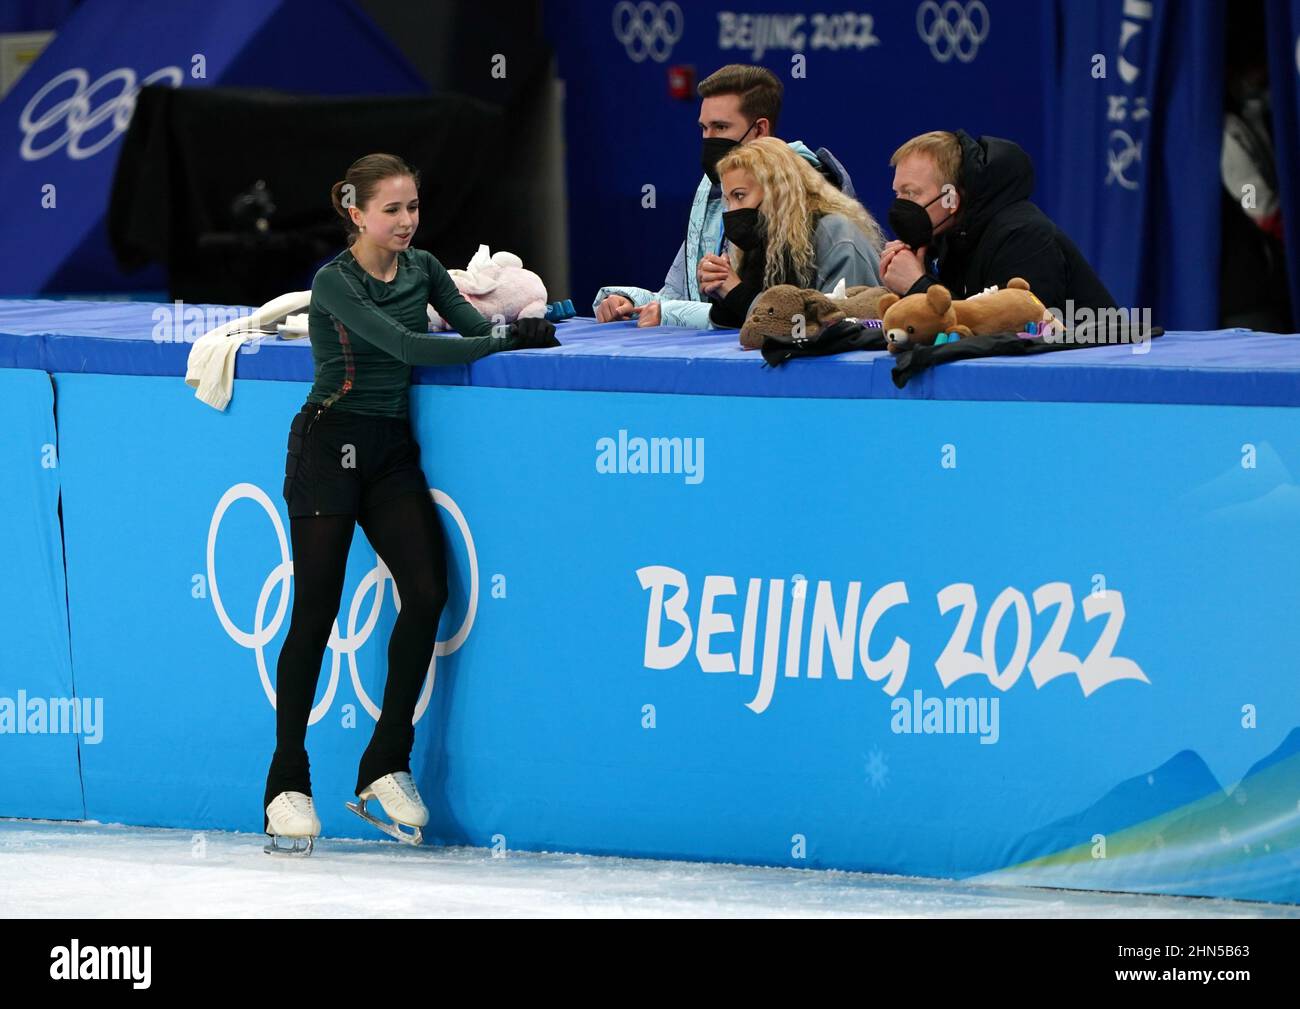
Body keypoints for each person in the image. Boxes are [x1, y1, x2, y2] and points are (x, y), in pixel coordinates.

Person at [263, 153, 560, 854]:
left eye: (413, 207)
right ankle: (285, 782)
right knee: (315, 610)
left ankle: (384, 761)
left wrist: (525, 324)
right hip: (327, 446)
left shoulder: (424, 267)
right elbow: (406, 343)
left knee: (427, 591)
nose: (405, 221)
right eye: (390, 209)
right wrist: (498, 341)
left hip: (390, 449)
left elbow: (462, 325)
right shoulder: (333, 283)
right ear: (356, 212)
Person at [593, 64, 856, 329]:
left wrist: (680, 310)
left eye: (720, 127)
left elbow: (815, 324)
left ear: (760, 130)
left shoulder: (815, 214)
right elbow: (676, 297)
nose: (709, 140)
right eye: (704, 128)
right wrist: (629, 302)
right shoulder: (711, 197)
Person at [880, 130, 1116, 317]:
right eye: (897, 193)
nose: (900, 205)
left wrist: (918, 285)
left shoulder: (1023, 236)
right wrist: (902, 290)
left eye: (911, 194)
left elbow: (1005, 331)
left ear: (952, 198)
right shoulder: (945, 237)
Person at [702, 137, 883, 329]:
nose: (731, 211)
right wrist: (722, 293)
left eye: (739, 196)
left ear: (778, 192)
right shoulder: (763, 242)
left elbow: (839, 326)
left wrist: (737, 294)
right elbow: (748, 330)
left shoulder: (835, 235)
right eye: (728, 200)